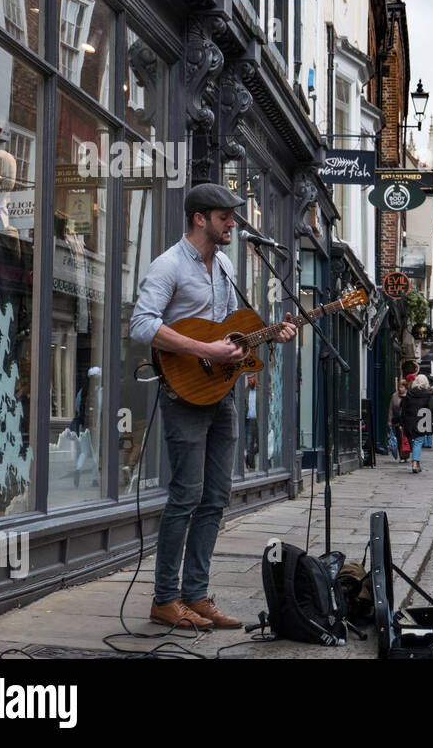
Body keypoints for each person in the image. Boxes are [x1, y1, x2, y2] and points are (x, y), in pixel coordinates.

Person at [130, 182, 296, 630]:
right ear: (200, 218)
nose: (233, 224)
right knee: (185, 494)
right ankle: (165, 599)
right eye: (225, 217)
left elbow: (230, 331)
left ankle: (196, 595)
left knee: (216, 496)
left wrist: (267, 335)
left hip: (221, 393)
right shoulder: (167, 265)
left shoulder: (222, 264)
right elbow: (142, 325)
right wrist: (204, 349)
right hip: (183, 393)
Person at [399, 375, 433, 474]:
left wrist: (402, 422)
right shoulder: (428, 394)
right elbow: (431, 409)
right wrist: (431, 422)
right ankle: (415, 463)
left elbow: (404, 409)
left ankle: (416, 461)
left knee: (413, 441)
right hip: (422, 421)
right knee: (418, 441)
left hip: (409, 421)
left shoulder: (409, 394)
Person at [388, 380, 408, 461]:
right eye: (399, 387)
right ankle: (402, 456)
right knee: (399, 438)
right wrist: (389, 421)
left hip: (407, 421)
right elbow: (391, 409)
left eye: (402, 387)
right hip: (397, 420)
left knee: (406, 439)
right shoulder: (394, 396)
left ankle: (406, 455)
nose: (400, 389)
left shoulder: (409, 395)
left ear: (405, 387)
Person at [244, 372, 259, 470]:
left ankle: (249, 457)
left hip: (260, 421)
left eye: (252, 378)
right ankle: (252, 467)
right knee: (249, 444)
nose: (250, 380)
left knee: (261, 444)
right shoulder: (245, 391)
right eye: (248, 378)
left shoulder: (261, 390)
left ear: (256, 377)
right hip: (249, 421)